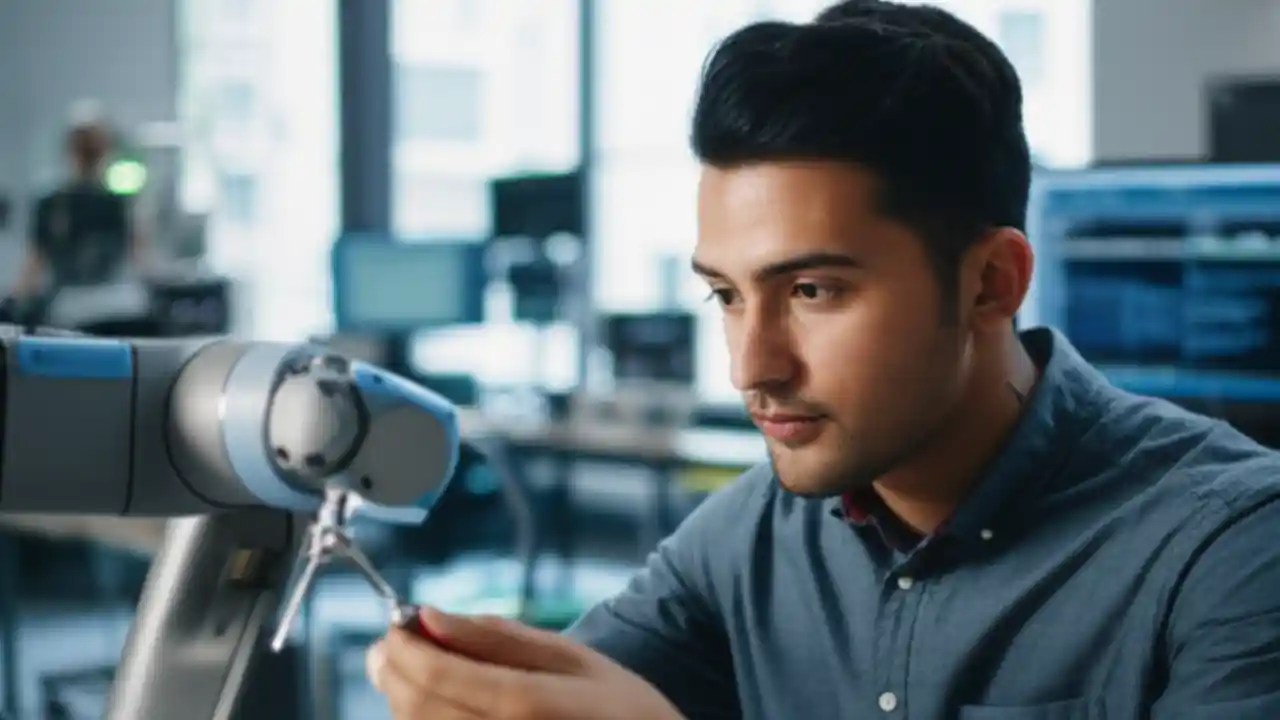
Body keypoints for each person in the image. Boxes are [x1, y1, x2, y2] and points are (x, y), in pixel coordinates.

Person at [365, 2, 1280, 717]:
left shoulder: (1236, 550)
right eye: (726, 295)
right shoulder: (745, 540)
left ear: (991, 283)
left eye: (813, 292)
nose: (750, 368)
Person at [7, 119, 147, 321]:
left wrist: (14, 301)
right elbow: (140, 258)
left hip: (71, 308)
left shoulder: (52, 204)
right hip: (109, 306)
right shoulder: (117, 204)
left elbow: (34, 266)